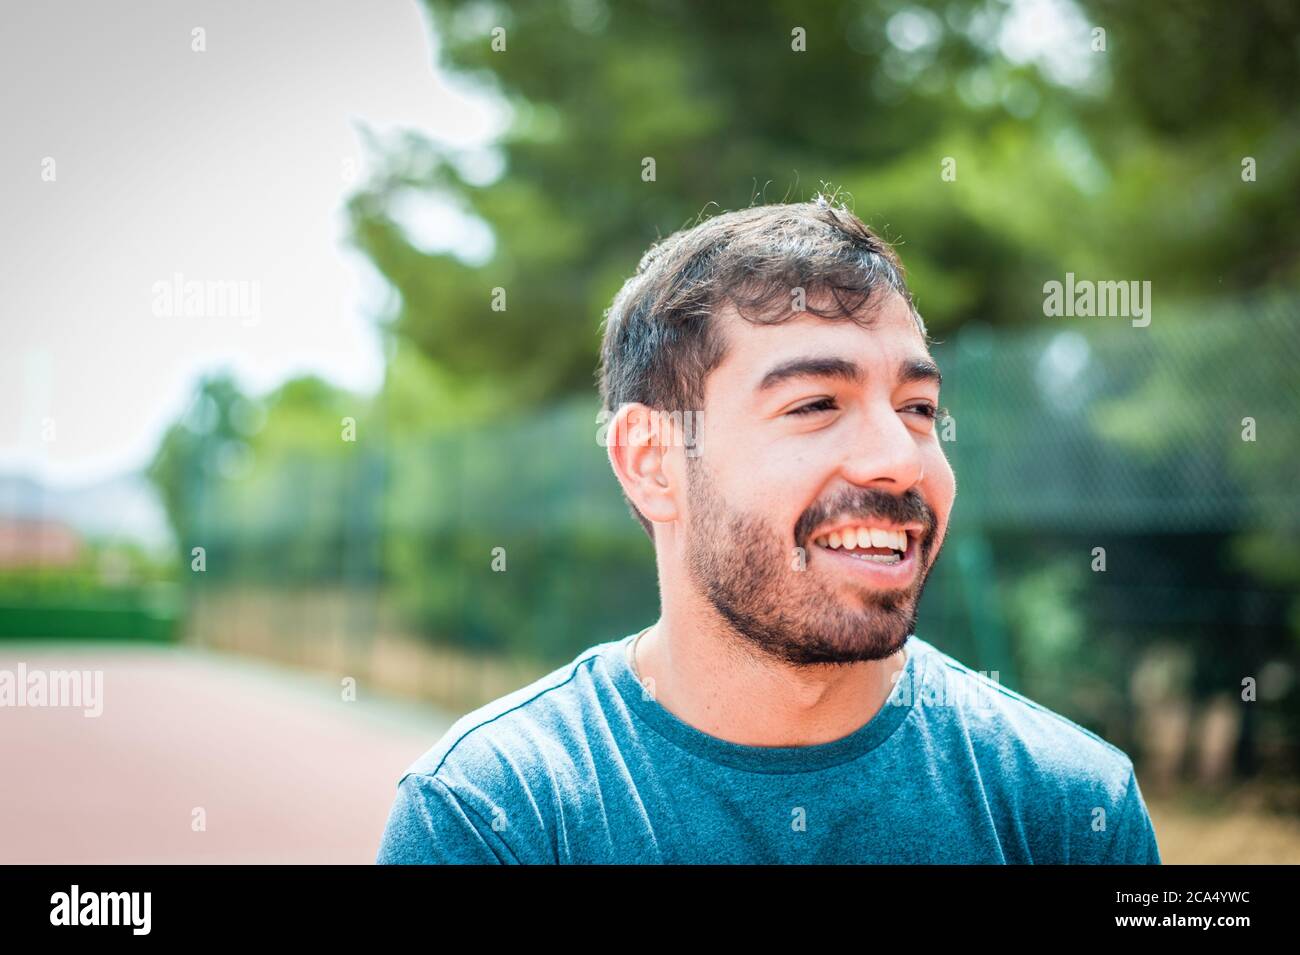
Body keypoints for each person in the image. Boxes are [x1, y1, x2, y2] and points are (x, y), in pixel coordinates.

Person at [376, 198, 1162, 864]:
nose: (900, 459)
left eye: (919, 409)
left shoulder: (1071, 812)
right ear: (652, 462)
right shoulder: (491, 818)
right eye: (816, 404)